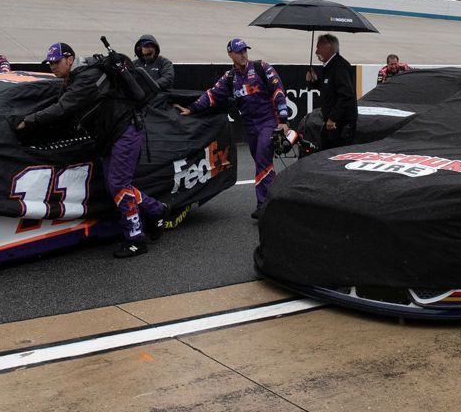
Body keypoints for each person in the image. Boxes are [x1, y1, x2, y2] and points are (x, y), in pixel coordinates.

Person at [18, 42, 165, 258]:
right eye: (49, 63)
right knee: (113, 185)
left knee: (118, 186)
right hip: (111, 134)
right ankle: (158, 210)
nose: (52, 66)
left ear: (70, 59)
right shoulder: (75, 77)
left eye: (56, 62)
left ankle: (136, 238)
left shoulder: (85, 77)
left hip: (125, 130)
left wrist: (29, 121)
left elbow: (63, 108)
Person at [177, 38, 290, 219]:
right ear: (230, 55)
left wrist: (283, 119)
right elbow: (212, 95)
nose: (244, 54)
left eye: (245, 51)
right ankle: (277, 199)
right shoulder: (230, 78)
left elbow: (278, 90)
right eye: (239, 52)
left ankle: (264, 205)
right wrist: (192, 108)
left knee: (262, 158)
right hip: (249, 125)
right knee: (262, 163)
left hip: (268, 121)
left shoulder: (262, 67)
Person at [307, 33, 358, 150]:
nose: (316, 52)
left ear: (328, 47)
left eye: (318, 47)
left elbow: (347, 95)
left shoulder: (340, 66)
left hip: (340, 123)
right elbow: (329, 89)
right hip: (331, 122)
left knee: (335, 154)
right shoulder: (329, 66)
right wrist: (314, 81)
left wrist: (333, 117)